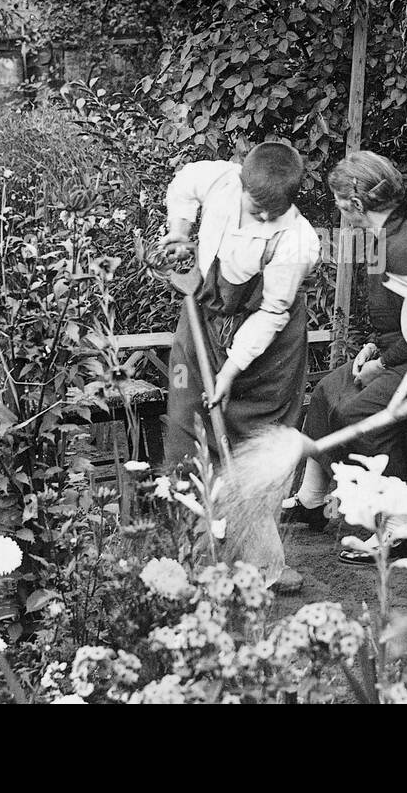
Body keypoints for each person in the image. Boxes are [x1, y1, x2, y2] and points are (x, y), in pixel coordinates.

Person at [288, 150, 407, 565]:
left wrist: (384, 364)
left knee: (360, 411)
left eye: (337, 199)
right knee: (332, 387)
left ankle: (400, 530)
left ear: (355, 202)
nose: (335, 208)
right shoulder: (383, 238)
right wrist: (373, 346)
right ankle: (312, 500)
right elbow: (398, 317)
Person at [158, 141, 320, 594]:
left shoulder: (298, 240)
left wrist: (229, 372)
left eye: (276, 212)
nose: (265, 219)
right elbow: (183, 186)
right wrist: (178, 232)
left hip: (268, 352)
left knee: (255, 450)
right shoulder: (219, 179)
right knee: (184, 425)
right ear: (240, 182)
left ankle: (264, 565)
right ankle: (189, 559)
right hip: (202, 320)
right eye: (257, 207)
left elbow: (272, 313)